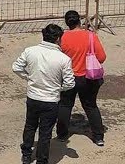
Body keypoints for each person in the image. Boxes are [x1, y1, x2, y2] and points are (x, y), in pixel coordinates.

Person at [12, 23, 75, 164]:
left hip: (33, 97)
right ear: (58, 39)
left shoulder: (30, 51)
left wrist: (28, 77)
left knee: (30, 126)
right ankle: (41, 160)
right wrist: (58, 88)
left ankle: (26, 154)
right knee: (45, 132)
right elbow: (70, 83)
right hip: (51, 100)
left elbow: (16, 67)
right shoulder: (63, 59)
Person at [55, 10, 106, 147]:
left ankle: (62, 134)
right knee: (91, 106)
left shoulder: (62, 38)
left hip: (69, 77)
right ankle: (98, 137)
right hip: (88, 77)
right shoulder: (90, 36)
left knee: (65, 105)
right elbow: (101, 57)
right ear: (79, 21)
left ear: (67, 23)